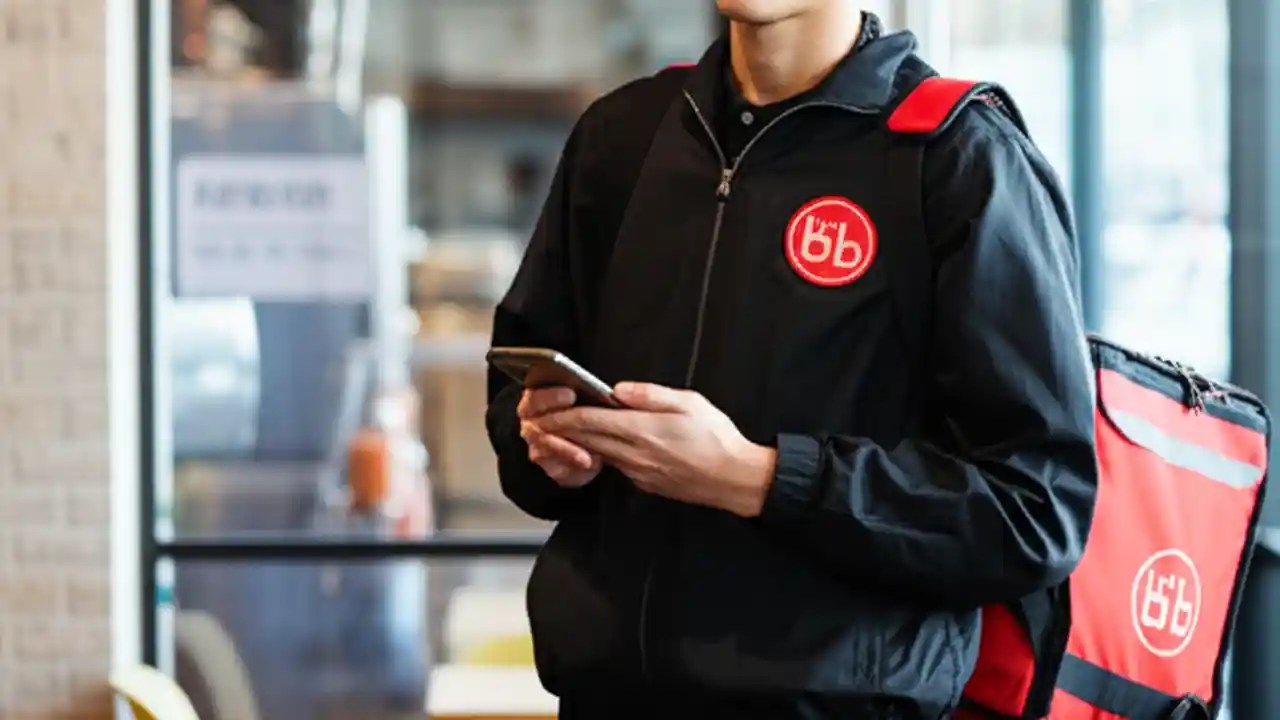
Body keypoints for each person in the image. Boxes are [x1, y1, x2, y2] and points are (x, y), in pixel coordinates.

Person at [486, 2, 1098, 718]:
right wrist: (549, 444)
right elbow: (515, 402)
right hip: (605, 697)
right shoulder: (624, 137)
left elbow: (1035, 511)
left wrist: (757, 478)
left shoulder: (957, 159)